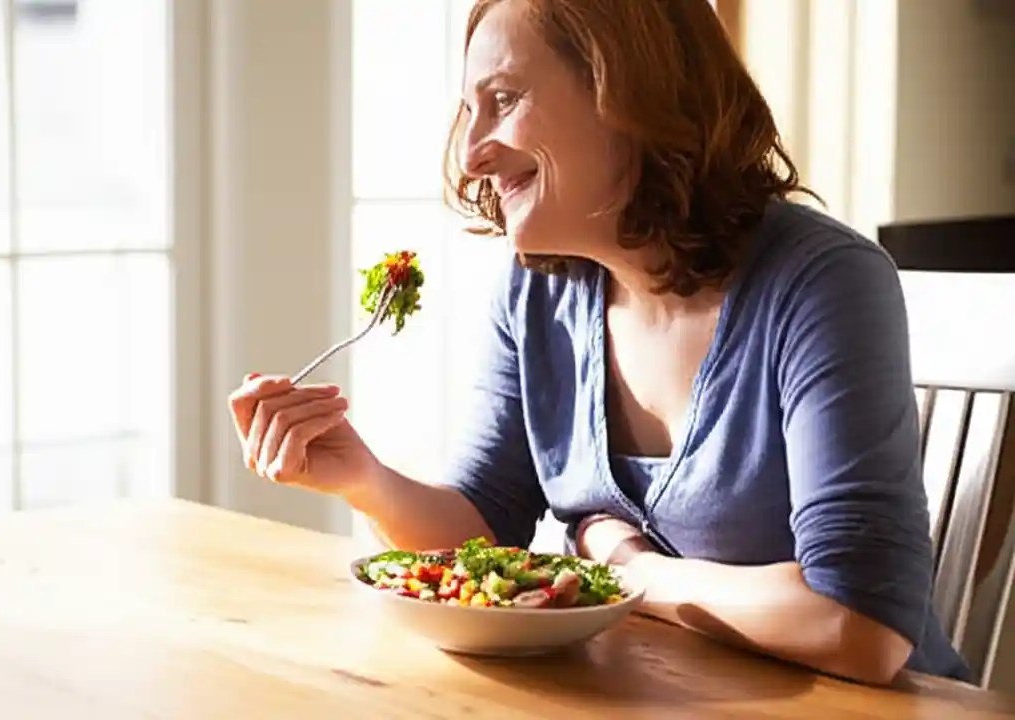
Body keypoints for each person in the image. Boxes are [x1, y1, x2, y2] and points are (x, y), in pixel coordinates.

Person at [227, 0, 969, 685]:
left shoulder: (822, 284)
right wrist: (364, 478)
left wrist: (622, 567)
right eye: (469, 112)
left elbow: (863, 628)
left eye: (504, 100)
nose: (473, 155)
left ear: (630, 93)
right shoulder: (537, 293)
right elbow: (486, 529)